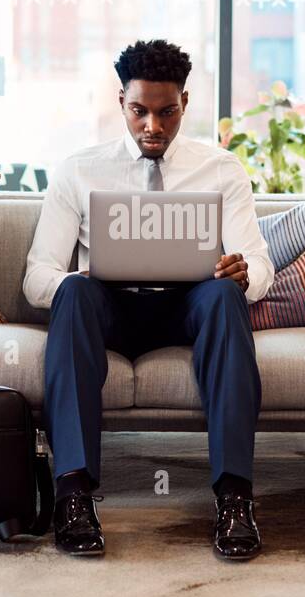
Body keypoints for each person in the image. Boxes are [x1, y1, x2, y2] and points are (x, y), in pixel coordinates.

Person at [23, 39, 273, 560]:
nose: (153, 127)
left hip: (187, 309)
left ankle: (234, 499)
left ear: (185, 102)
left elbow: (261, 264)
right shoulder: (78, 170)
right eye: (140, 111)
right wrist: (85, 275)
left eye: (167, 112)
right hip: (109, 310)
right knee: (71, 289)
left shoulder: (222, 170)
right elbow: (36, 278)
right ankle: (73, 496)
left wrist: (242, 272)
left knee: (228, 296)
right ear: (121, 103)